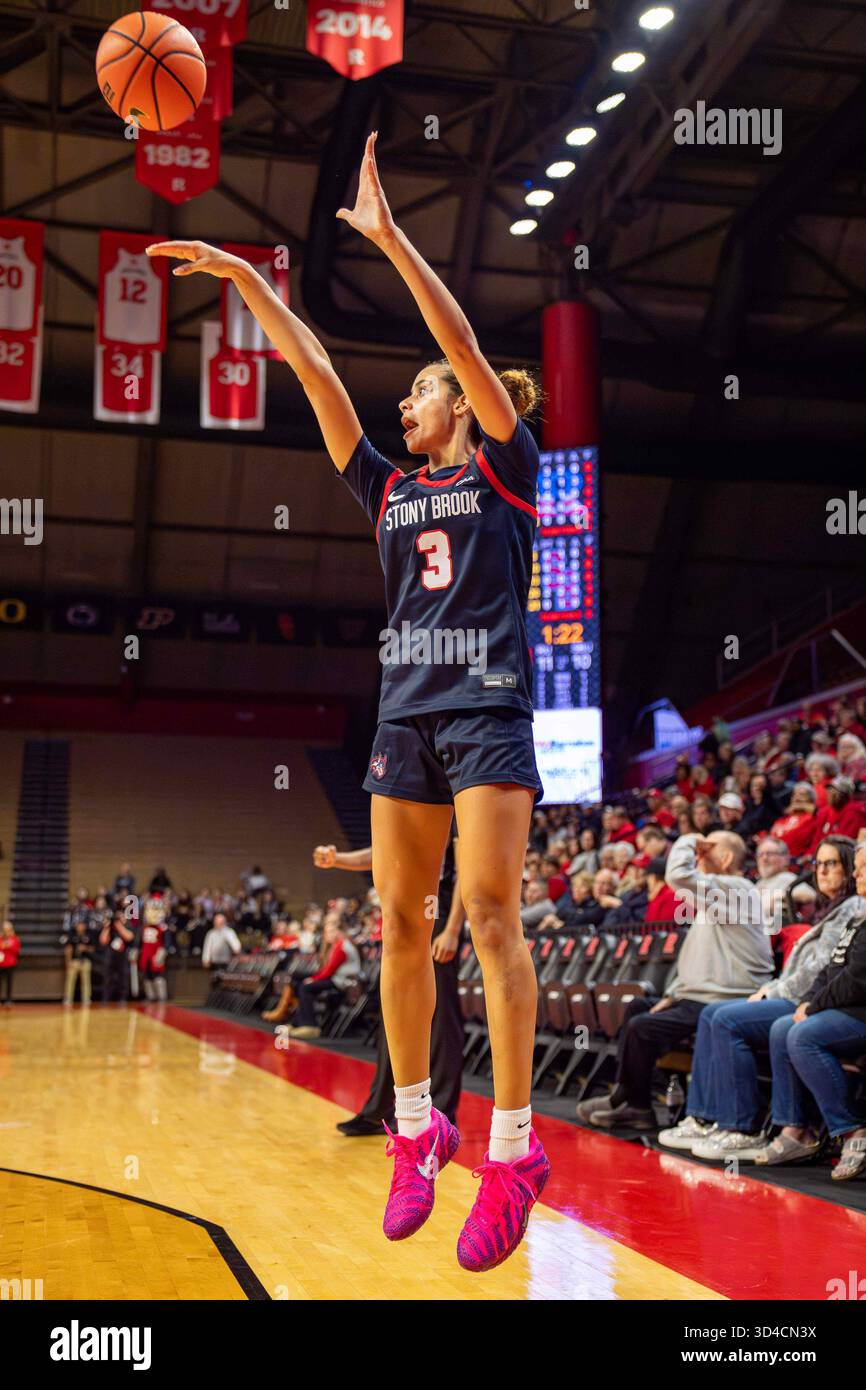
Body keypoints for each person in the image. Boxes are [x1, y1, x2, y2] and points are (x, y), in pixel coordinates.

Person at [147, 132, 551, 1270]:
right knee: (404, 928)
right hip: (402, 717)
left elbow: (461, 343)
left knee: (486, 915)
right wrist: (245, 284)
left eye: (422, 391)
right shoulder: (385, 484)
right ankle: (416, 1129)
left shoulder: (503, 467)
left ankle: (514, 1150)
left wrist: (389, 239)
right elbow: (317, 373)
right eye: (415, 391)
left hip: (484, 710)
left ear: (463, 409)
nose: (406, 398)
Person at [659, 836, 862, 1159]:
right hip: (795, 993)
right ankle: (703, 1117)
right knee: (712, 1014)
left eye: (831, 864)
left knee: (725, 1019)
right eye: (818, 864)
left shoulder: (852, 907)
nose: (821, 871)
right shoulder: (834, 908)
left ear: (850, 869)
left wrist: (773, 990)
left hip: (805, 998)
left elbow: (822, 968)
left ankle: (741, 1127)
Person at [577, 832, 774, 1128]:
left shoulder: (739, 890)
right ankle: (630, 1098)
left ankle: (635, 1104)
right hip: (699, 995)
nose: (698, 854)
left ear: (727, 858)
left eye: (706, 849)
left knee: (641, 1027)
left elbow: (678, 875)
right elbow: (698, 959)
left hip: (726, 999)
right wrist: (673, 993)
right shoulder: (718, 899)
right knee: (638, 1008)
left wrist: (690, 839)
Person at [313, 837, 465, 1134]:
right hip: (404, 906)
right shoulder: (400, 797)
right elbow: (385, 849)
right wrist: (338, 859)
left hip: (438, 908)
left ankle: (441, 1113)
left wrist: (453, 929)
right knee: (394, 1014)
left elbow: (465, 870)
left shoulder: (453, 801)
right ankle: (381, 1110)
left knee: (442, 1017)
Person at [753, 840, 866, 1179]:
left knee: (802, 1035)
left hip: (859, 1010)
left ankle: (853, 1131)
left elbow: (859, 979)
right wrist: (808, 1002)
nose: (856, 873)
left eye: (861, 867)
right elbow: (832, 970)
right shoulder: (857, 919)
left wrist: (815, 1006)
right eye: (857, 866)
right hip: (845, 1008)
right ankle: (794, 1129)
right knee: (783, 1027)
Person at [99, 912, 135, 1004]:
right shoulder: (110, 929)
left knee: (123, 977)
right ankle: (107, 997)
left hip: (123, 957)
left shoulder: (128, 926)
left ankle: (122, 998)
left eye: (121, 917)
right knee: (108, 978)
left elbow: (129, 937)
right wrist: (107, 927)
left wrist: (119, 926)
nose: (119, 919)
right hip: (111, 956)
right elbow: (103, 941)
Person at [60, 917, 95, 1006]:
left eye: (82, 925)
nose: (80, 927)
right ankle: (68, 998)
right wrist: (68, 962)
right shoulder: (72, 936)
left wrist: (85, 948)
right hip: (74, 961)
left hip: (85, 961)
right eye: (78, 925)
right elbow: (68, 949)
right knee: (70, 981)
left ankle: (86, 998)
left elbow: (93, 949)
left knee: (86, 981)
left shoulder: (88, 936)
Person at [0, 920, 21, 1005]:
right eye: (5, 929)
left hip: (10, 963)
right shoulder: (1, 938)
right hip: (1, 963)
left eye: (8, 929)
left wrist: (6, 946)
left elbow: (16, 950)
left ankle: (8, 999)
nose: (6, 931)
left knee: (9, 982)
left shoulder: (15, 939)